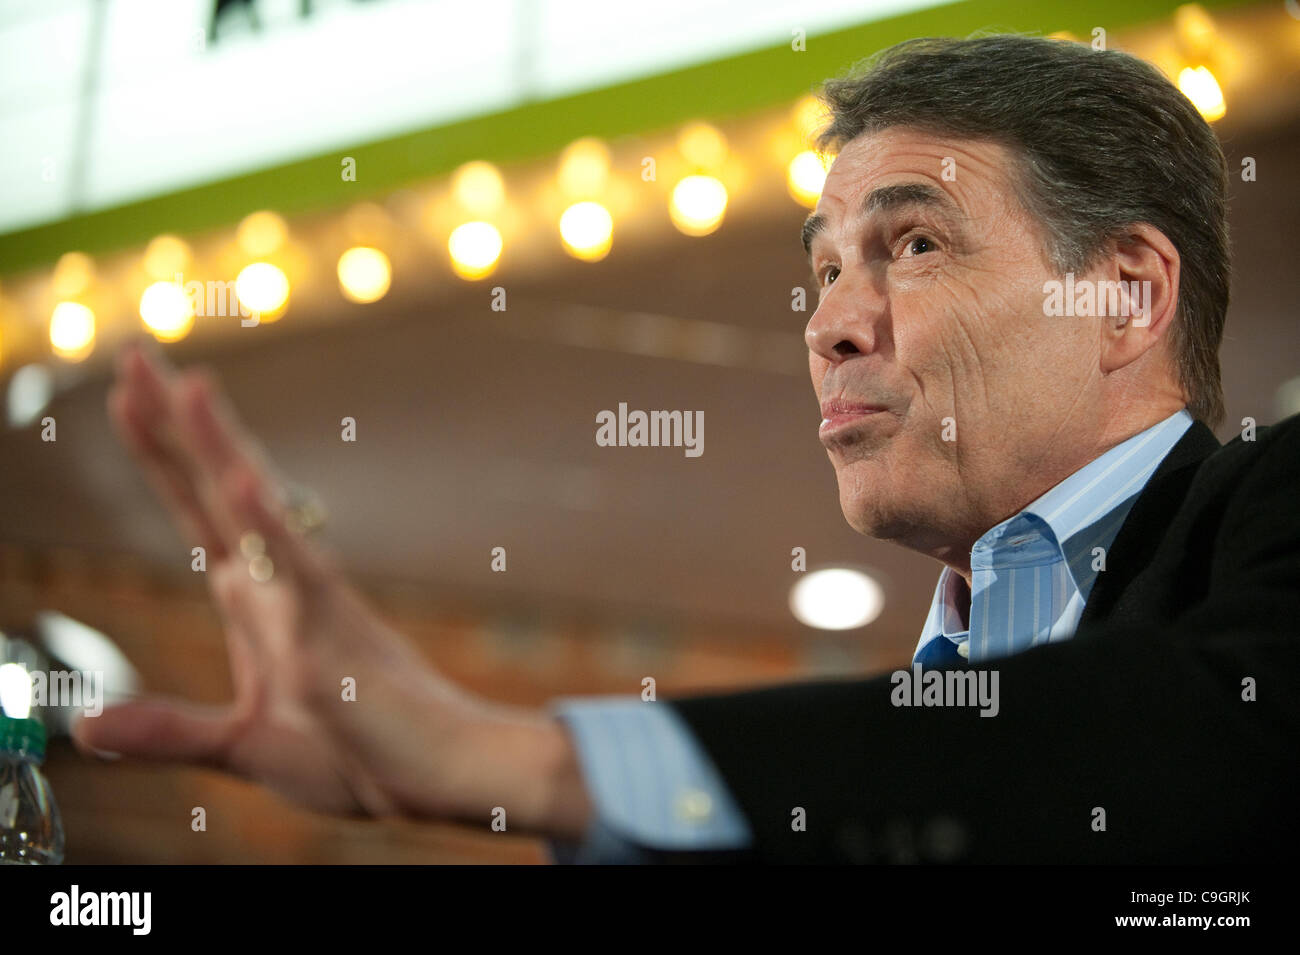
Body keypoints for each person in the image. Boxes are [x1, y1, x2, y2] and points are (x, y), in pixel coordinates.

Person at [73, 34, 1298, 863]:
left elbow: (1192, 743)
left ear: (1125, 295)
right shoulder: (915, 719)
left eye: (913, 245)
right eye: (822, 268)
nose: (829, 322)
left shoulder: (1275, 505)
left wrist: (519, 755)